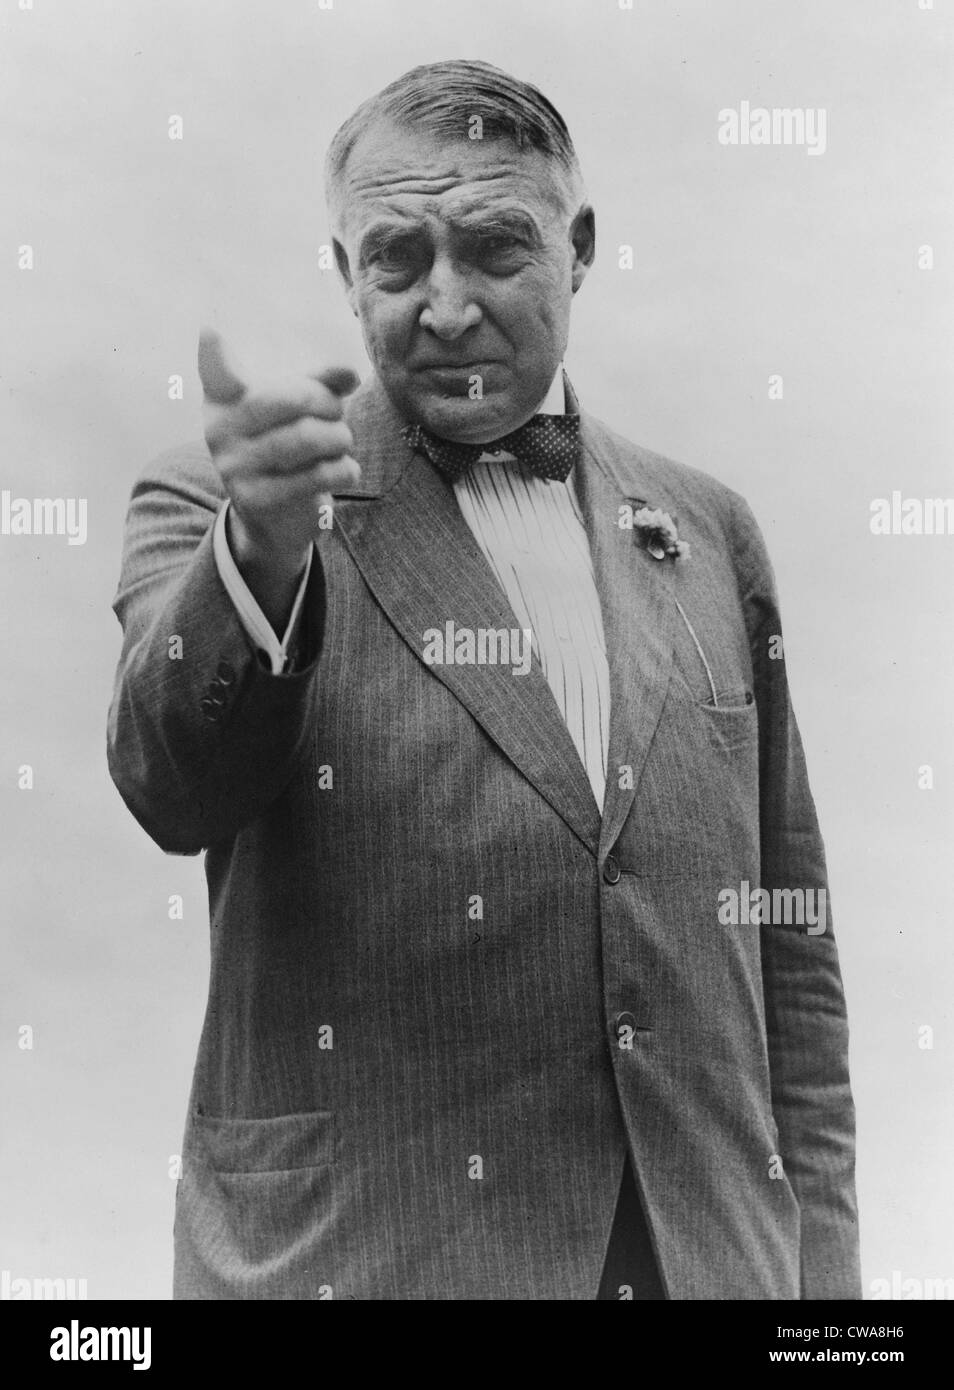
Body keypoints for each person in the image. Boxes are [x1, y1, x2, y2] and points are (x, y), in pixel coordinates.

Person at [107, 59, 860, 1300]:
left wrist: (827, 1307)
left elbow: (793, 956)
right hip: (372, 1260)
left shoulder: (710, 527)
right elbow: (169, 790)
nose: (445, 306)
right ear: (347, 276)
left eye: (496, 248)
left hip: (703, 1264)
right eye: (397, 259)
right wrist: (257, 553)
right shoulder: (225, 503)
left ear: (582, 248)